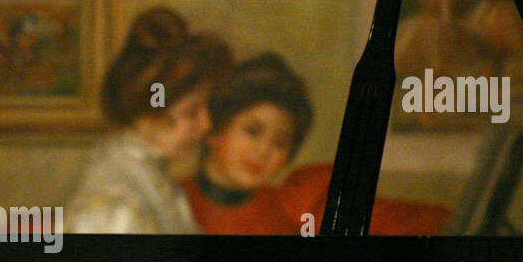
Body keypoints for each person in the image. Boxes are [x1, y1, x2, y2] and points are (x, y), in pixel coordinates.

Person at [183, 52, 449, 235]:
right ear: (214, 130)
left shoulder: (297, 204)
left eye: (280, 142)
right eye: (252, 131)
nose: (264, 151)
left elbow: (423, 222)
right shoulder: (171, 199)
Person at [65, 7, 232, 234]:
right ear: (149, 110)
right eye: (191, 112)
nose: (206, 124)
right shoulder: (115, 203)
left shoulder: (152, 177)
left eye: (207, 108)